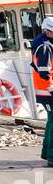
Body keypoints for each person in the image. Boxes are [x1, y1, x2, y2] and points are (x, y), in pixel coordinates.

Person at [30, 17, 53, 166]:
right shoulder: (45, 47)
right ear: (48, 30)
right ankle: (51, 156)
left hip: (45, 91)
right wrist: (52, 88)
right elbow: (44, 72)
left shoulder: (44, 42)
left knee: (51, 122)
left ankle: (48, 153)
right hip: (48, 91)